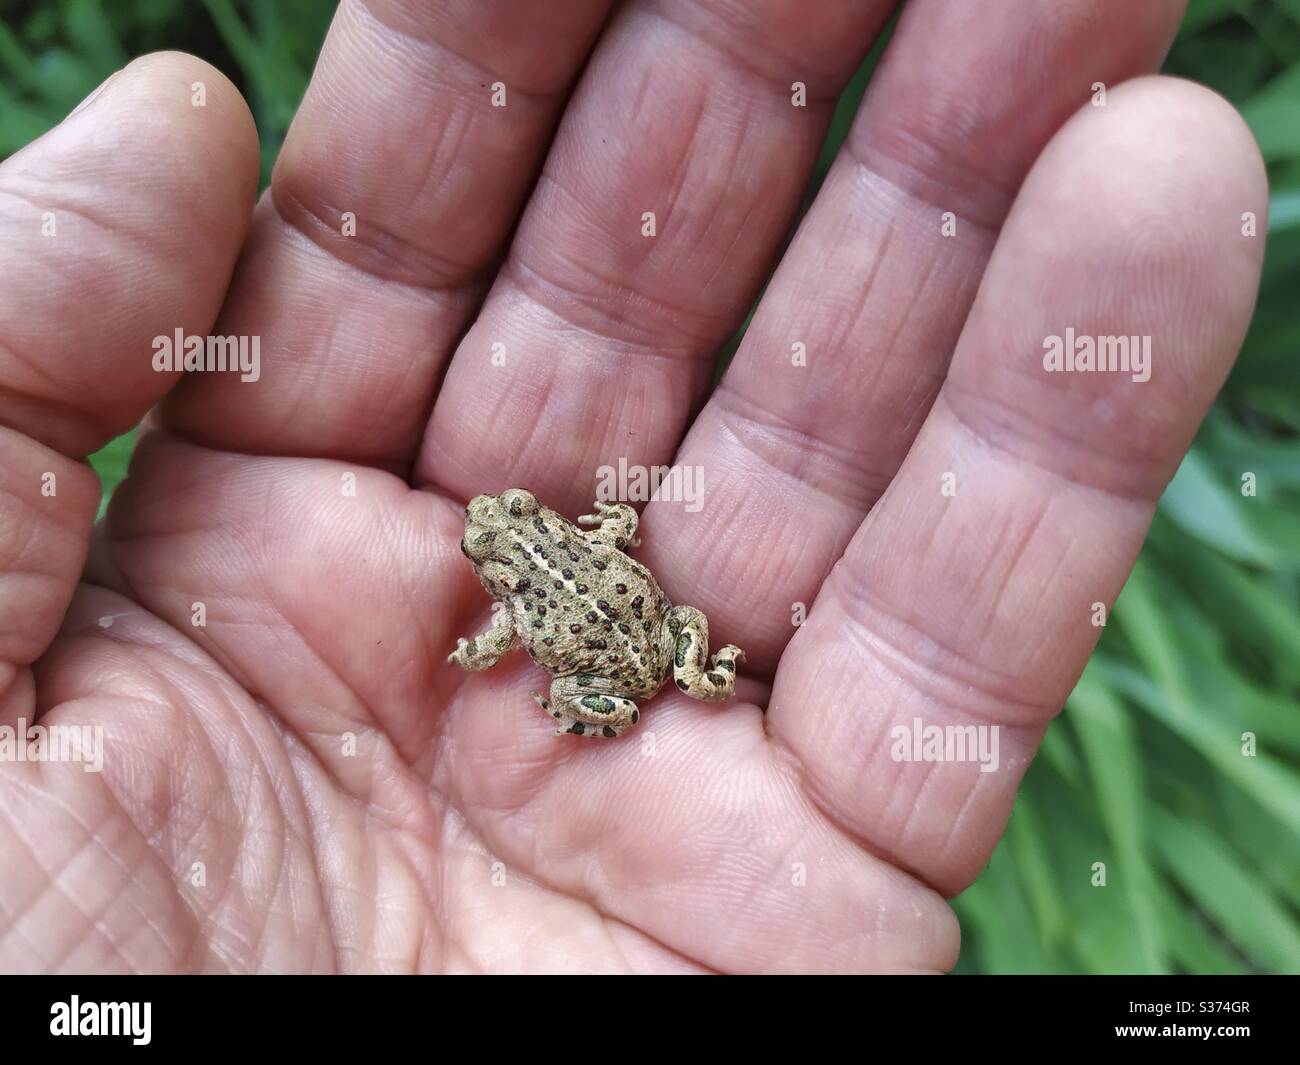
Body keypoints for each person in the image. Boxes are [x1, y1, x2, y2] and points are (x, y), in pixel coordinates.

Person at [0, 0, 1265, 973]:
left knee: (618, 661)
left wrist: (518, 661)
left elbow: (518, 616)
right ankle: (658, 683)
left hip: (630, 637)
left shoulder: (515, 574)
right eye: (493, 534)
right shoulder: (550, 537)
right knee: (642, 648)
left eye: (495, 531)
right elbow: (589, 539)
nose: (494, 529)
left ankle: (635, 694)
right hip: (649, 631)